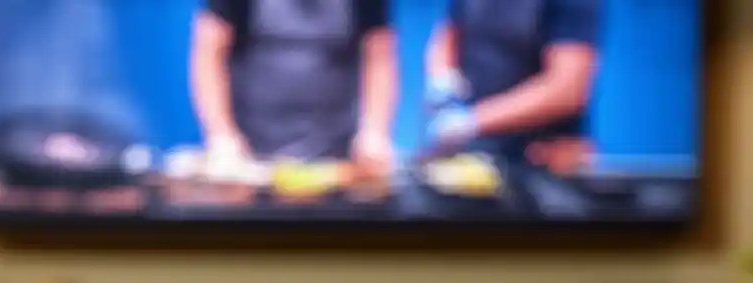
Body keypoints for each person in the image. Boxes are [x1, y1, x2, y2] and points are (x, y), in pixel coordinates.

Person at [190, 0, 397, 174]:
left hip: (337, 160)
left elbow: (379, 57)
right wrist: (221, 135)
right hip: (251, 161)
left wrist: (374, 132)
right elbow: (209, 53)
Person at [424, 0, 601, 170]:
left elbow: (568, 90)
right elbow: (449, 33)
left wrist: (472, 121)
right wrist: (442, 80)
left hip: (541, 163)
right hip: (472, 156)